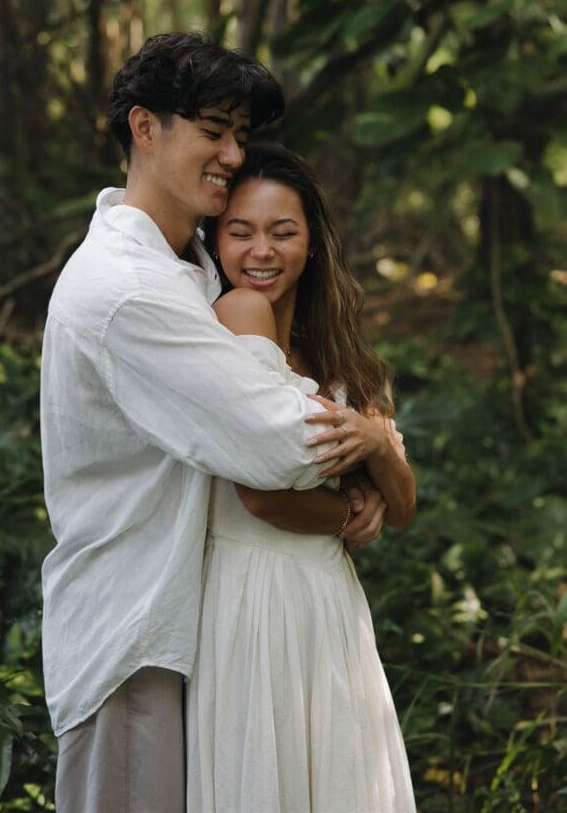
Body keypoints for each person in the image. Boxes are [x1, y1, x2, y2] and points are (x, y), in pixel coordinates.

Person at [39, 33, 386, 813]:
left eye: (240, 134)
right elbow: (279, 444)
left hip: (198, 630)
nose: (232, 153)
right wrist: (364, 464)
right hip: (133, 641)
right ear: (144, 128)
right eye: (211, 129)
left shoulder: (187, 263)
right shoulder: (127, 291)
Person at [187, 142, 417, 813]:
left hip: (326, 595)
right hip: (257, 594)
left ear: (310, 242)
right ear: (214, 241)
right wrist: (352, 506)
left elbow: (401, 506)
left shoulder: (331, 347)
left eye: (282, 232)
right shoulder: (236, 316)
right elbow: (260, 494)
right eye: (240, 232)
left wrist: (375, 440)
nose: (261, 251)